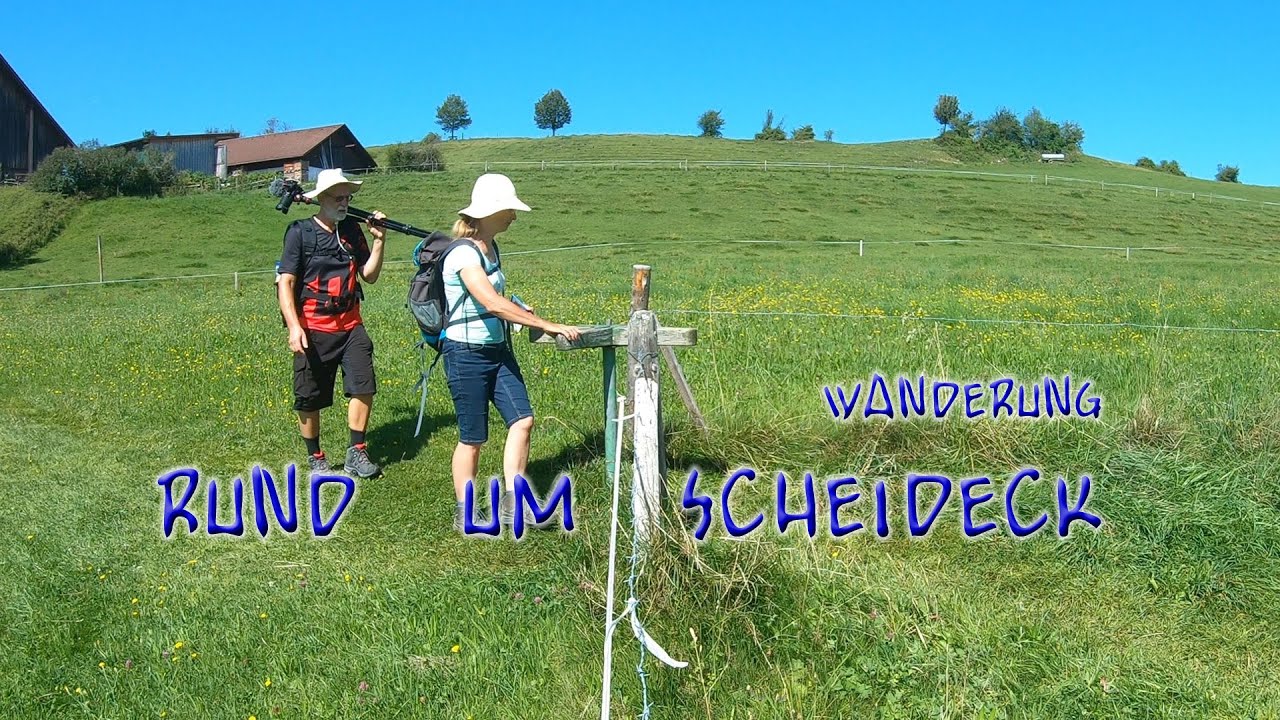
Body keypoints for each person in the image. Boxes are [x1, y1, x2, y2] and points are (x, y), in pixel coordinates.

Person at [442, 174, 581, 531]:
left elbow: (500, 298)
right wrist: (547, 324)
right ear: (488, 212)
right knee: (472, 438)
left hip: (498, 350)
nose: (514, 217)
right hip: (465, 352)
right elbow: (489, 302)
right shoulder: (462, 252)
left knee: (523, 420)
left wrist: (520, 308)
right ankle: (465, 512)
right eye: (508, 210)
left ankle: (512, 504)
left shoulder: (492, 248)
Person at [277, 168, 388, 478]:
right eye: (339, 197)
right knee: (309, 395)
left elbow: (370, 275)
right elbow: (285, 282)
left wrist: (379, 241)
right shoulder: (299, 232)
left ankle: (357, 451)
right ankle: (316, 456)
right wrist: (294, 327)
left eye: (348, 197)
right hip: (312, 327)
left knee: (363, 384)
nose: (344, 202)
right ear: (320, 199)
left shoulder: (352, 231)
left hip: (351, 325)